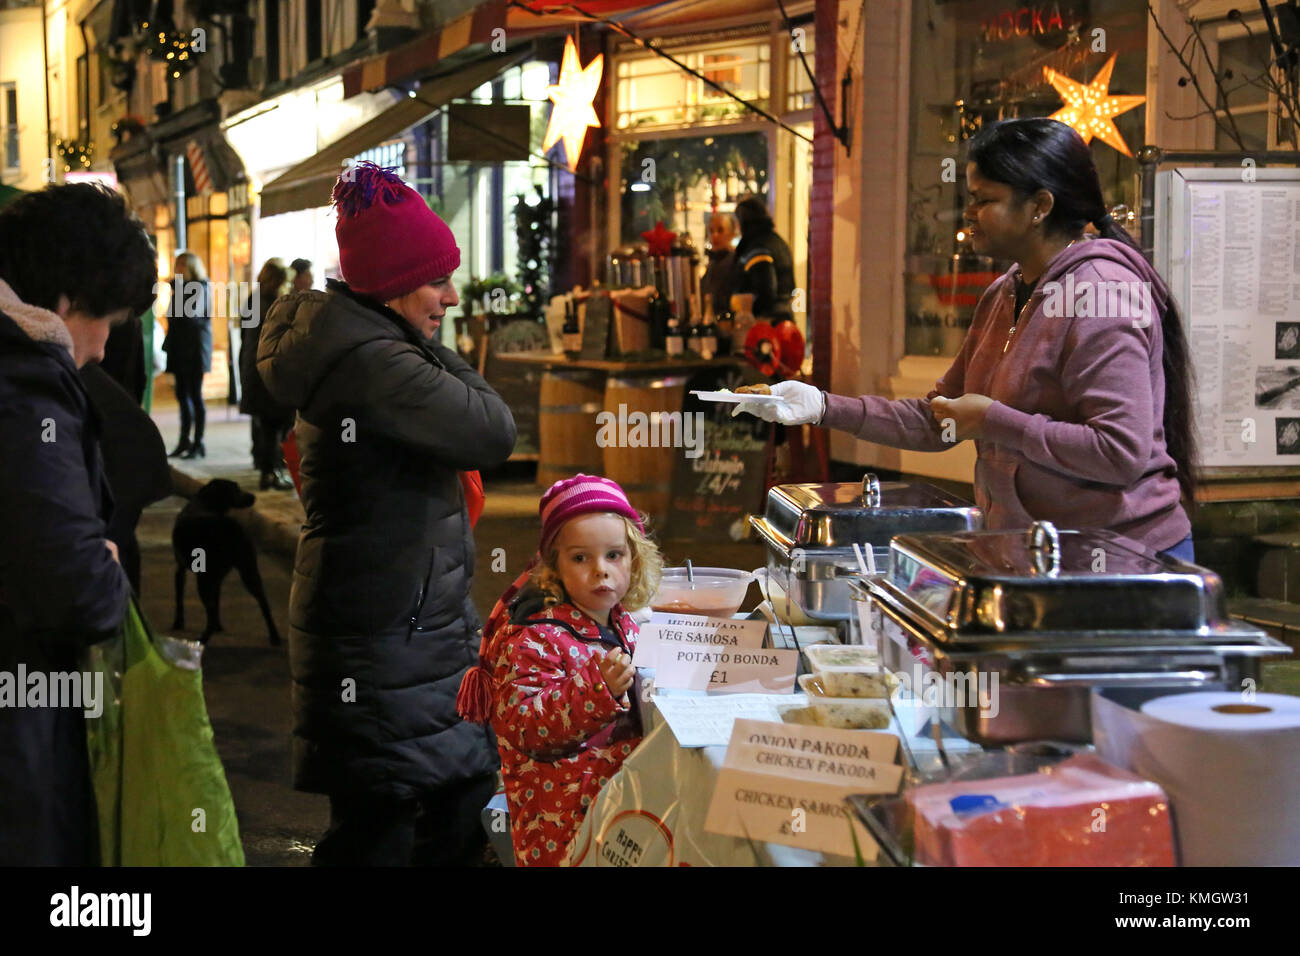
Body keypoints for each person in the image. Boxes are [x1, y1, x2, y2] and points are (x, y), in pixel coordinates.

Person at [735, 118, 1196, 561]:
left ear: (1040, 206)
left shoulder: (1102, 294)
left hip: (1121, 561)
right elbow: (941, 420)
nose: (969, 214)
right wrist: (818, 406)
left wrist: (994, 420)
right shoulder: (1004, 293)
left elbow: (1120, 453)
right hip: (1033, 552)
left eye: (983, 199)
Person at [257, 162, 517, 867]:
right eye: (436, 281)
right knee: (386, 824)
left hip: (401, 635)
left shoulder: (364, 343)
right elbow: (493, 429)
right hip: (385, 646)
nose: (450, 297)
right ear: (392, 286)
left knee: (440, 807)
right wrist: (431, 349)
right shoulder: (378, 361)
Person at [0, 182, 156, 864]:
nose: (97, 351)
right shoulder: (25, 384)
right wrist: (107, 565)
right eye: (108, 324)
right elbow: (78, 586)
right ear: (65, 304)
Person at [456, 474, 663, 866]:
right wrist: (596, 689)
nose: (600, 570)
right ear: (554, 565)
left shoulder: (619, 619)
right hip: (561, 827)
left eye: (614, 555)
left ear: (635, 558)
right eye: (580, 558)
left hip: (610, 812)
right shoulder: (533, 639)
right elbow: (525, 727)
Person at [240, 259, 295, 490]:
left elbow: (246, 334)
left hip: (254, 368)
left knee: (267, 426)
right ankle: (273, 471)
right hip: (270, 370)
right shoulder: (274, 304)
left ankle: (267, 472)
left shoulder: (253, 299)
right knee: (278, 425)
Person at [162, 251, 213, 459]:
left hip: (193, 351)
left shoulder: (199, 288)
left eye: (183, 265)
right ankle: (185, 440)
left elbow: (190, 317)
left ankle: (198, 442)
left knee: (194, 395)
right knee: (182, 396)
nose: (179, 269)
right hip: (179, 349)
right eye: (178, 265)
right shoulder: (181, 289)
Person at [730, 195, 796, 324]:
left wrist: (747, 311)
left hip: (767, 324)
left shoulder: (757, 247)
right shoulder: (777, 241)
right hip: (785, 319)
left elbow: (766, 291)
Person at [701, 210, 738, 318]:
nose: (715, 235)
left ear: (732, 234)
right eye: (711, 231)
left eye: (720, 230)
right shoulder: (713, 262)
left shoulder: (735, 262)